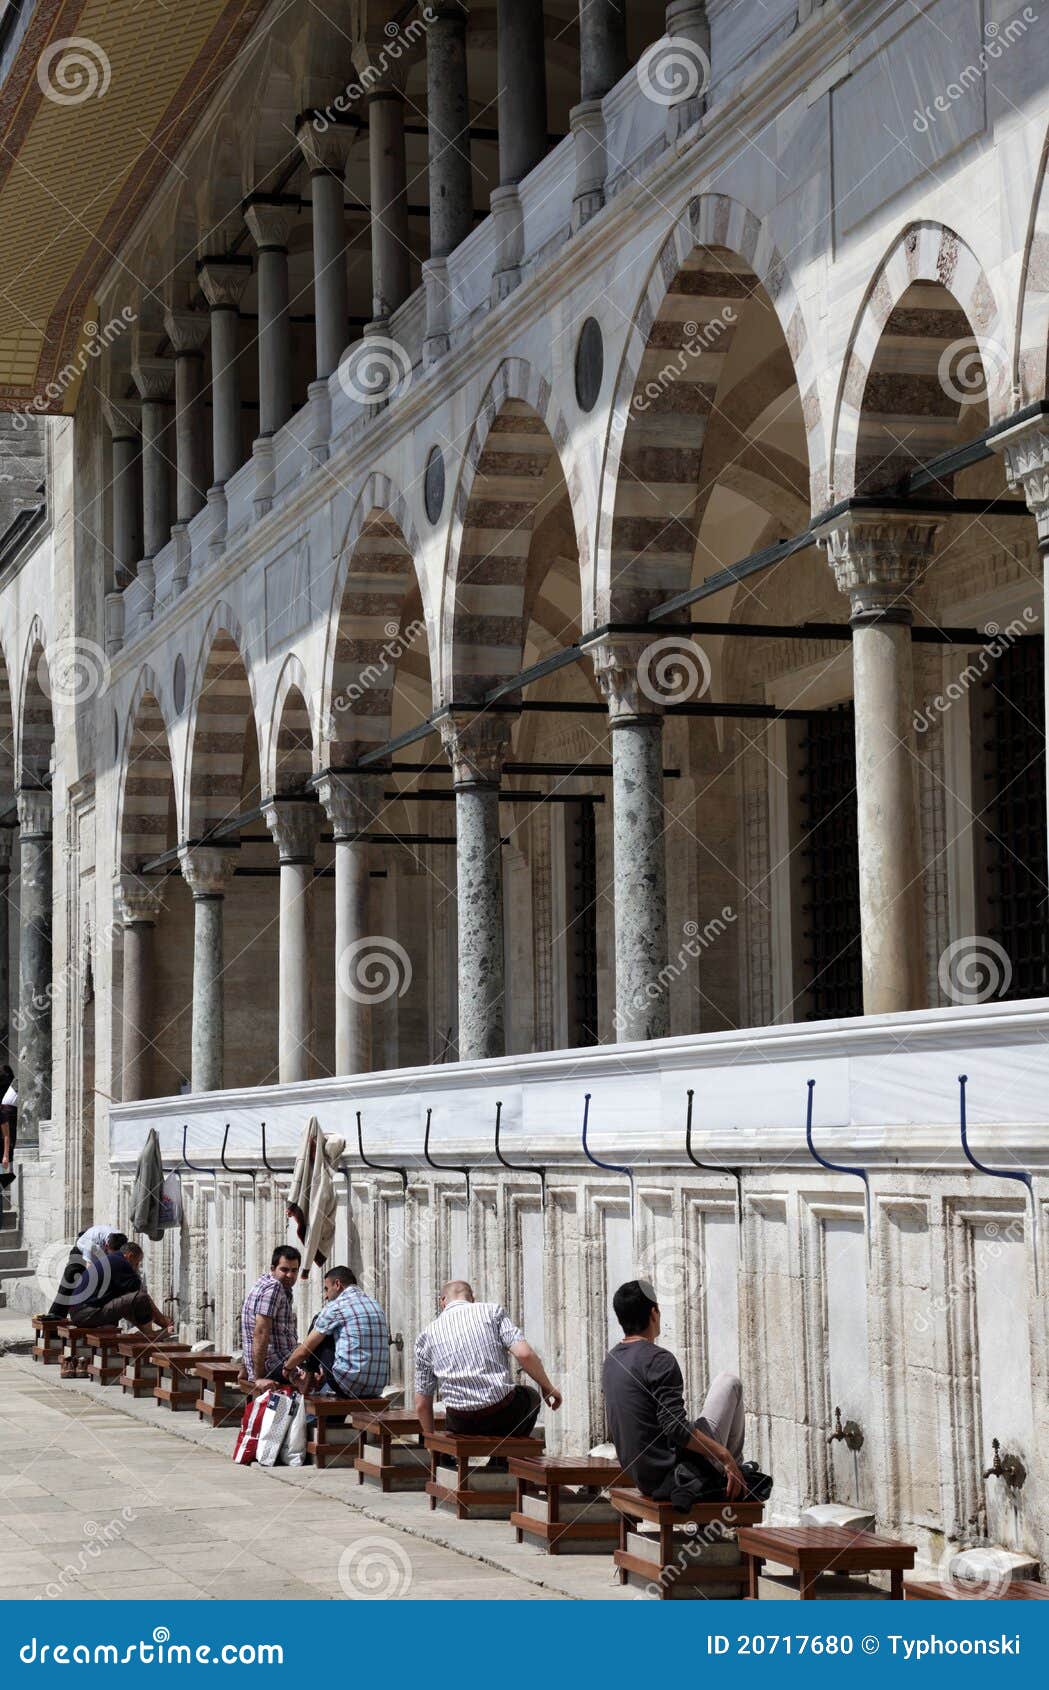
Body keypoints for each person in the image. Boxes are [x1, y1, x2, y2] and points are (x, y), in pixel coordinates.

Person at [602, 1278, 747, 1503]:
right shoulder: (658, 1359)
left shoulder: (611, 1360)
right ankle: (729, 1476)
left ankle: (728, 1474)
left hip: (642, 1477)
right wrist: (724, 1455)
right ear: (654, 1313)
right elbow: (675, 1428)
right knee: (730, 1383)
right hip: (674, 1472)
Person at [414, 1280, 561, 1460]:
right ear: (472, 1298)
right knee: (531, 1397)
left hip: (460, 1420)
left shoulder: (426, 1335)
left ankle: (462, 1462)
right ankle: (502, 1461)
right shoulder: (491, 1312)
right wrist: (547, 1386)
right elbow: (524, 1354)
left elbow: (422, 1403)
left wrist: (432, 1443)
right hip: (501, 1414)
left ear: (442, 1301)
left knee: (455, 1412)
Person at [282, 1266, 390, 1400]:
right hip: (377, 1387)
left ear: (337, 1284)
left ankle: (308, 1378)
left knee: (320, 1324)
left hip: (347, 1385)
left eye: (327, 1289)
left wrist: (287, 1368)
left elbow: (305, 1350)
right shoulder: (375, 1305)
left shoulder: (336, 1307)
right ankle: (311, 1378)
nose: (326, 1296)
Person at [67, 1243, 172, 1337]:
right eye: (137, 1263)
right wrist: (164, 1322)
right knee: (141, 1297)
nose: (137, 1268)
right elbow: (141, 1297)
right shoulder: (121, 1263)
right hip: (87, 1314)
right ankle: (150, 1335)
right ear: (130, 1256)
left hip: (78, 1313)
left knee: (127, 1301)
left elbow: (128, 1304)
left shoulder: (111, 1259)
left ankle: (147, 1333)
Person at [240, 1246, 301, 1390]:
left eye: (294, 1270)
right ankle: (312, 1412)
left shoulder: (263, 1282)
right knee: (320, 1377)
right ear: (273, 1268)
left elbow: (249, 1331)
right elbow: (260, 1332)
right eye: (284, 1270)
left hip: (275, 1361)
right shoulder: (274, 1287)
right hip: (274, 1365)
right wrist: (258, 1378)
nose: (290, 1275)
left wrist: (244, 1366)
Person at [47, 1229, 128, 1317]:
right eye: (111, 1253)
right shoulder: (92, 1245)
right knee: (69, 1282)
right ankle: (55, 1317)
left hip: (99, 1250)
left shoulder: (121, 1240)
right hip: (80, 1253)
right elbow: (90, 1272)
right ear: (107, 1245)